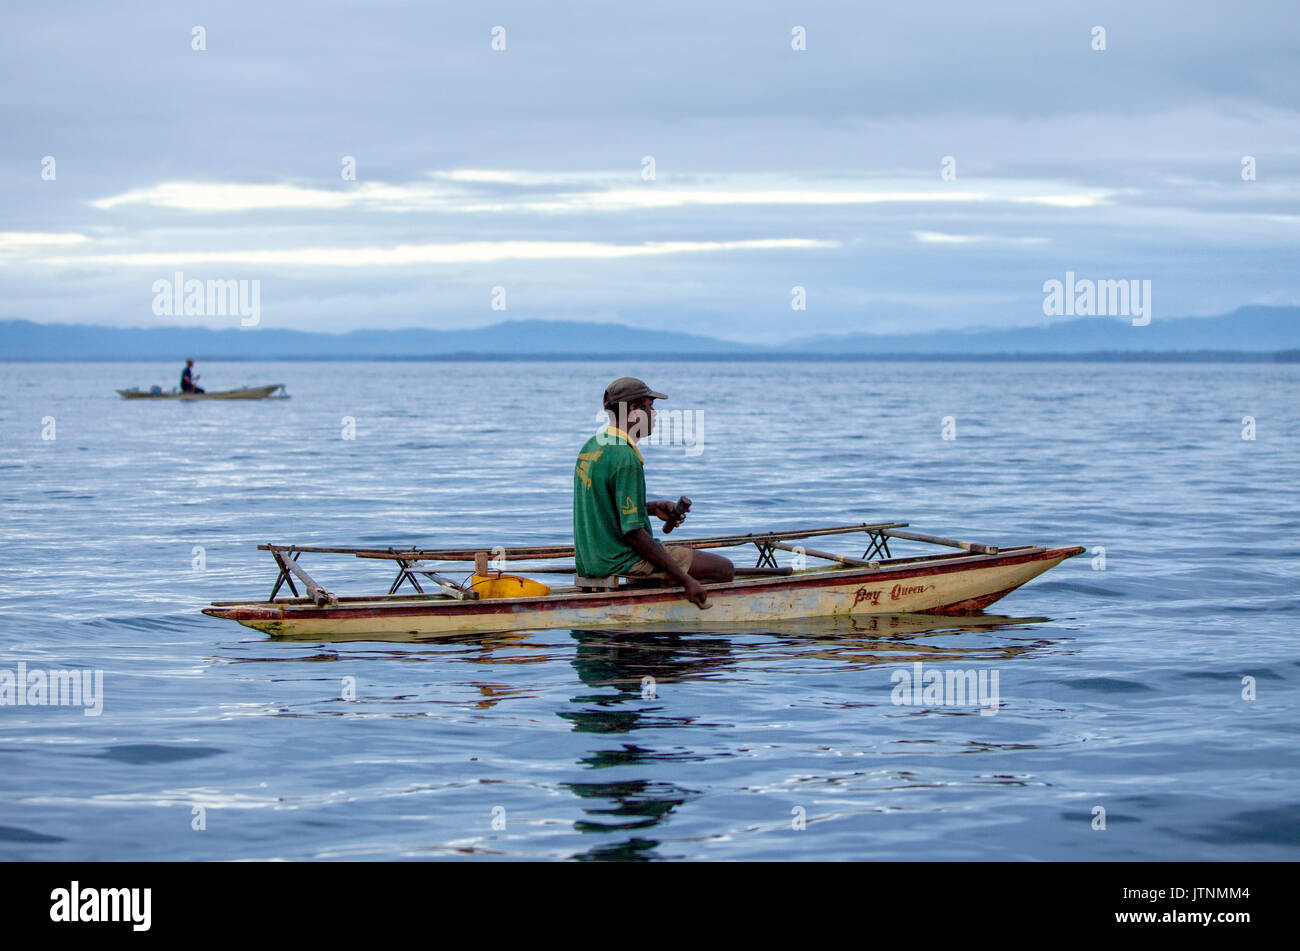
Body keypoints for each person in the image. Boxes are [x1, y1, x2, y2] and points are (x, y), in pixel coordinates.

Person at [573, 377, 734, 608]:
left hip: (592, 560)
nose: (655, 414)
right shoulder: (626, 458)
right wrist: (686, 580)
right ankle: (660, 587)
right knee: (724, 569)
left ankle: (662, 581)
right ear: (634, 411)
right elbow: (633, 533)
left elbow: (602, 505)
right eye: (650, 407)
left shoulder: (593, 445)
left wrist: (649, 507)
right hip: (621, 560)